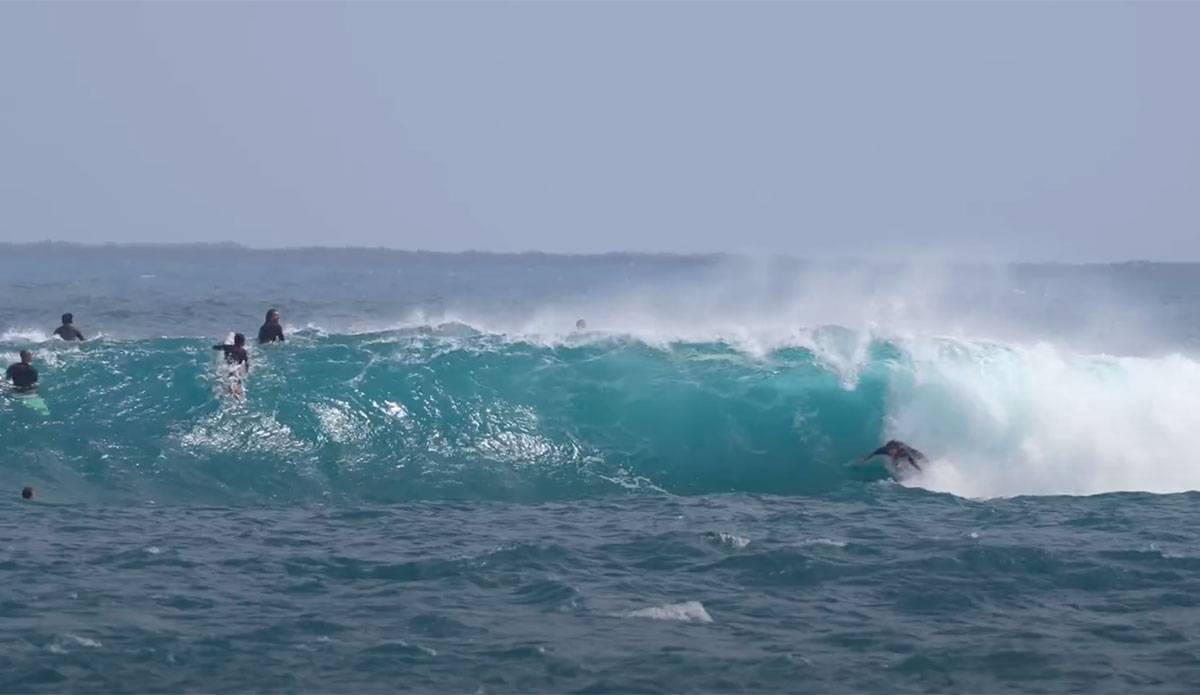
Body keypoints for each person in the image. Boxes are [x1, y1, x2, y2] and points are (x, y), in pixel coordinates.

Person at [857, 439, 926, 471]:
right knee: (895, 464)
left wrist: (920, 470)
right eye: (888, 450)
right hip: (898, 455)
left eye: (891, 450)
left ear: (896, 449)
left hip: (911, 452)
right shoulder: (885, 450)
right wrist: (863, 461)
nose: (889, 452)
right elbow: (873, 453)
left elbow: (912, 461)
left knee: (923, 459)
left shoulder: (903, 450)